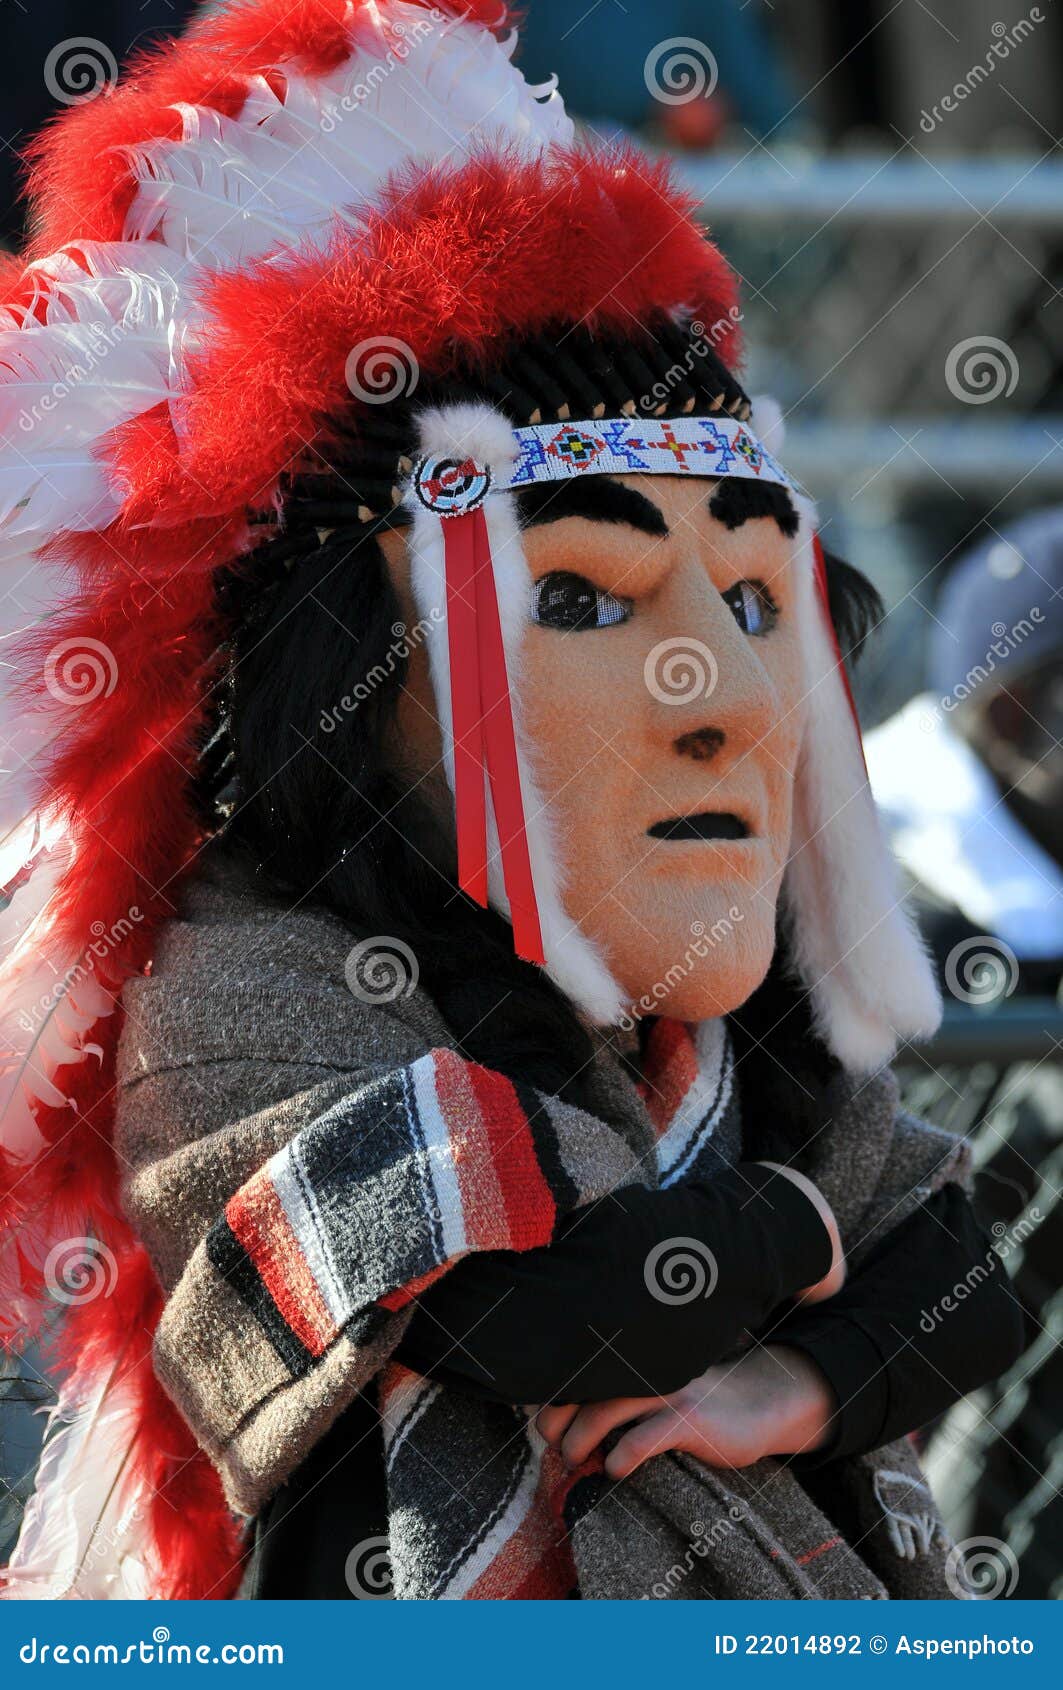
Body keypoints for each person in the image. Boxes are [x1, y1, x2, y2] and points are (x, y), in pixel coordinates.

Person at [0, 0, 1022, 1602]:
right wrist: (825, 1242)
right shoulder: (244, 992)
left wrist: (803, 1380)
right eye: (590, 600)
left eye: (756, 606)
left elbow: (966, 1270)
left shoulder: (736, 1036)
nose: (720, 709)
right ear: (348, 680)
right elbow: (557, 1297)